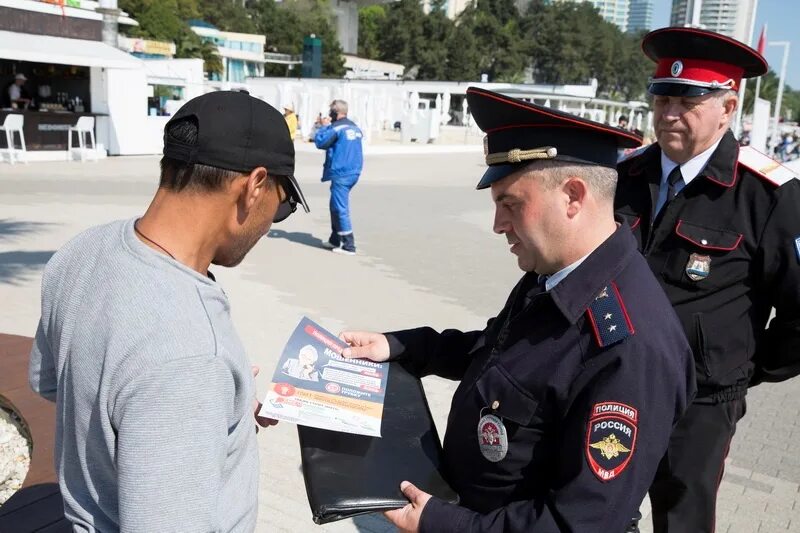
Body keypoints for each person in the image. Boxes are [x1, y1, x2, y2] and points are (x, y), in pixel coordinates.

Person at [338, 86, 696, 532]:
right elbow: (501, 354)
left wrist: (441, 523)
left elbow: (578, 524)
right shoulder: (557, 269)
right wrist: (402, 346)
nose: (497, 225)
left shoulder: (629, 349)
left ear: (572, 197)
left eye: (510, 204)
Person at [28, 91, 309, 532]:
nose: (272, 222)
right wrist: (184, 399)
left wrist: (202, 415)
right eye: (282, 203)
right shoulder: (191, 355)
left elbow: (51, 382)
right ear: (254, 186)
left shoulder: (82, 251)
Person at [615, 27, 800, 532]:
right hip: (611, 379)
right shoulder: (624, 177)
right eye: (662, 98)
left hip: (699, 402)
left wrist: (745, 368)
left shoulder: (769, 195)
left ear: (729, 106)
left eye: (689, 101)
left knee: (682, 519)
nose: (669, 114)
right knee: (594, 510)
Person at [314, 99, 363, 255]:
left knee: (340, 208)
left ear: (336, 113)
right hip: (353, 171)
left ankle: (349, 245)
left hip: (342, 172)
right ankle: (335, 239)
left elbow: (320, 142)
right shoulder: (354, 127)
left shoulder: (337, 128)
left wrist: (323, 125)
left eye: (331, 112)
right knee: (334, 205)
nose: (330, 115)